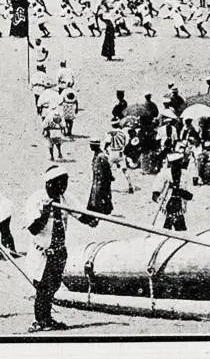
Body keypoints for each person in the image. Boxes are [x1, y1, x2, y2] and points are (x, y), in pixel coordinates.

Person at [24, 165, 98, 331]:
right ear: (49, 184)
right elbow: (33, 228)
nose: (63, 187)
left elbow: (79, 214)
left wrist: (91, 220)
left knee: (54, 285)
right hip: (42, 252)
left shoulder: (65, 197)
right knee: (43, 287)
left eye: (65, 183)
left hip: (59, 251)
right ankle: (41, 320)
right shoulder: (35, 200)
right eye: (60, 184)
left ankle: (46, 318)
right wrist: (44, 214)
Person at [152, 152, 194, 231]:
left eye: (178, 164)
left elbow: (190, 196)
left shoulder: (186, 175)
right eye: (173, 164)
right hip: (165, 210)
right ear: (170, 164)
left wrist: (177, 191)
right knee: (163, 233)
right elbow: (155, 195)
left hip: (180, 210)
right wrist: (160, 200)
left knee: (181, 234)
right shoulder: (163, 175)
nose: (176, 167)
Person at [104, 120, 134, 193]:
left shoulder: (109, 133)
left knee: (107, 169)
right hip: (120, 153)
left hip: (112, 153)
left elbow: (107, 142)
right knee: (125, 170)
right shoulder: (123, 133)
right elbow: (126, 142)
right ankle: (130, 185)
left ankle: (106, 186)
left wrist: (105, 148)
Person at [87, 139, 114, 215]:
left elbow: (107, 168)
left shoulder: (101, 156)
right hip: (97, 178)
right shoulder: (97, 154)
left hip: (102, 179)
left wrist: (108, 177)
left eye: (91, 145)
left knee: (101, 193)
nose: (90, 147)